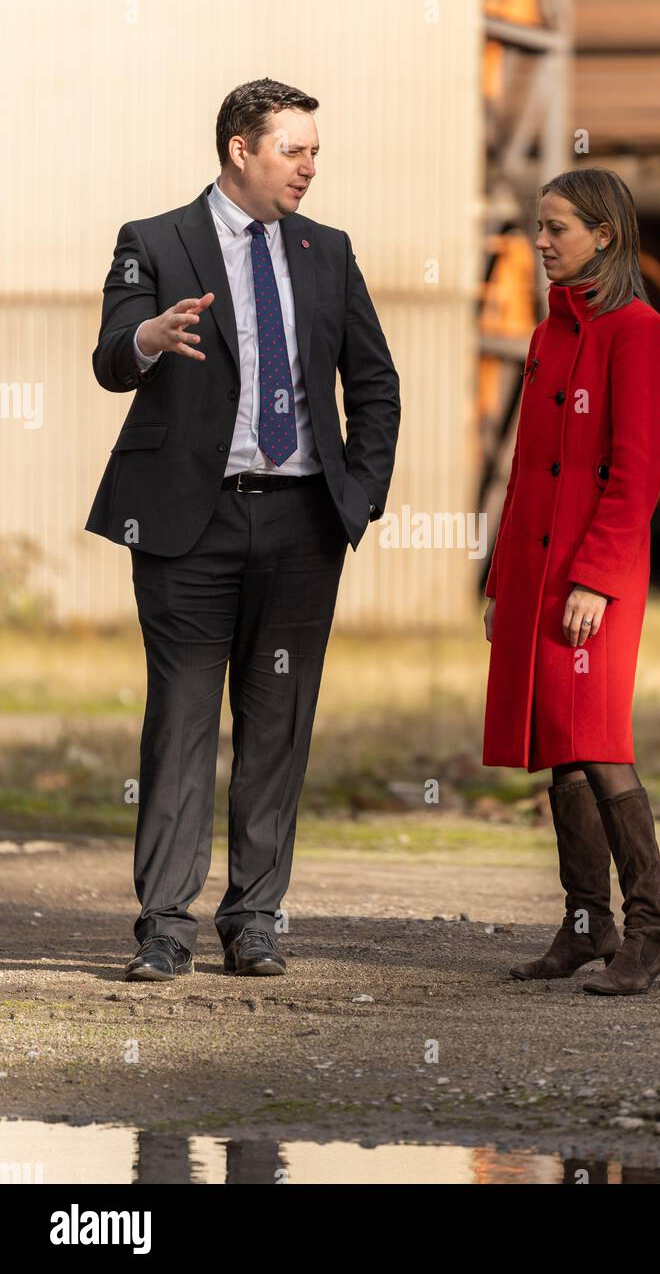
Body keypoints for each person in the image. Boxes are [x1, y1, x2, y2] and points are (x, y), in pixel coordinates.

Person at [85, 78, 400, 981]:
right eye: (292, 150)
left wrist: (358, 496)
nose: (308, 166)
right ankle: (166, 927)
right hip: (190, 522)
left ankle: (254, 917)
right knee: (180, 721)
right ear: (239, 149)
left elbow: (374, 384)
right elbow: (111, 358)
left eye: (313, 152)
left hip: (304, 524)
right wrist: (148, 337)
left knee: (277, 724)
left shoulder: (327, 252)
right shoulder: (153, 241)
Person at [482, 168, 660, 997]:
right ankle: (586, 921)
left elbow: (636, 477)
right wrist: (500, 577)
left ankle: (653, 931)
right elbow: (527, 472)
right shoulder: (547, 335)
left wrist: (594, 578)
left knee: (599, 745)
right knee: (560, 745)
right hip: (538, 571)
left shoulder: (640, 333)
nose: (541, 241)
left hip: (599, 575)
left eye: (557, 227)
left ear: (604, 234)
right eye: (539, 225)